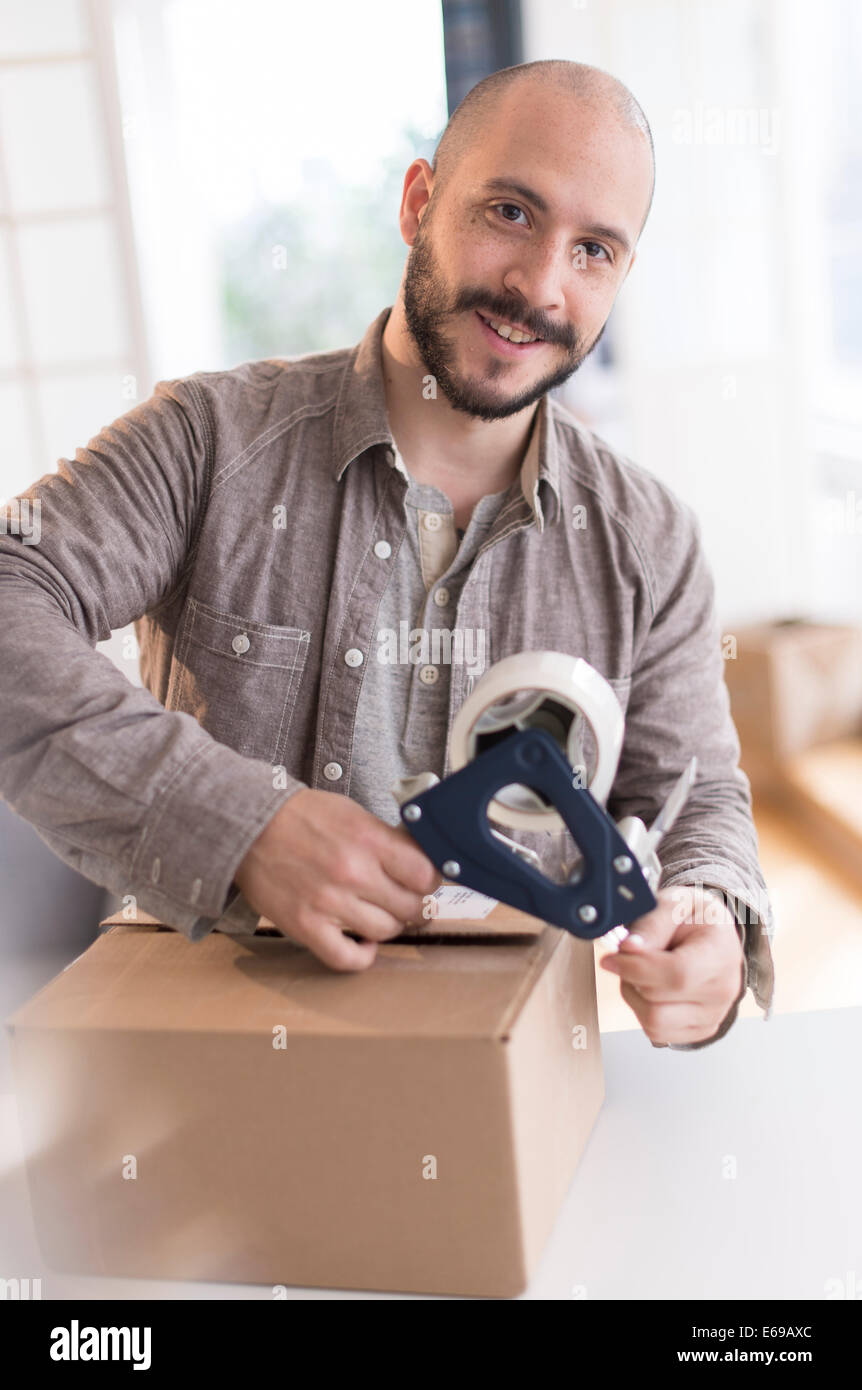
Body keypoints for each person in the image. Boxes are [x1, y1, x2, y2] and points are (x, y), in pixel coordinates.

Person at [0, 60, 773, 1048]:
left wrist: (711, 926)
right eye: (508, 210)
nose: (540, 285)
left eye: (593, 250)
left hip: (507, 1067)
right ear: (419, 203)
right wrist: (241, 822)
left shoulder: (649, 539)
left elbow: (697, 794)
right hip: (204, 1048)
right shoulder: (207, 439)